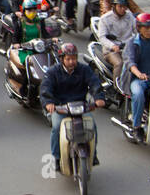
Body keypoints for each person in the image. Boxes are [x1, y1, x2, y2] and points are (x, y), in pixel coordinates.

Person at [40, 42, 107, 170]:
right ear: (62, 59)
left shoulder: (84, 69)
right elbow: (45, 88)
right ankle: (56, 157)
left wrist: (99, 98)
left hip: (80, 106)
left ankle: (93, 155)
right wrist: (49, 103)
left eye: (74, 58)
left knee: (92, 126)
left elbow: (95, 83)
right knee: (56, 128)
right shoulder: (53, 72)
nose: (72, 62)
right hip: (61, 108)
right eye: (68, 59)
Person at [95, 0, 136, 78]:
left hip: (128, 47)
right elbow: (102, 37)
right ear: (114, 6)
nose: (123, 9)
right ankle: (117, 87)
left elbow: (136, 31)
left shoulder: (129, 16)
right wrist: (113, 46)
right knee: (119, 63)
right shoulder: (105, 19)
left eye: (124, 6)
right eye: (120, 6)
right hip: (111, 50)